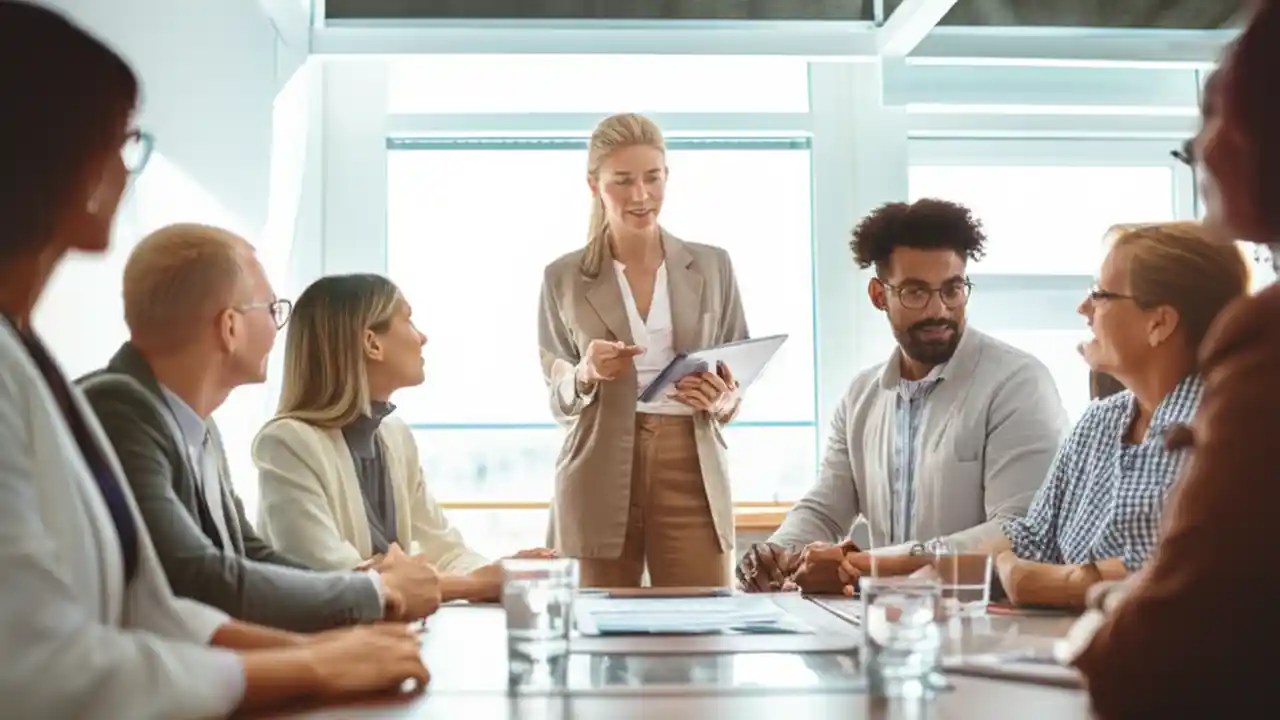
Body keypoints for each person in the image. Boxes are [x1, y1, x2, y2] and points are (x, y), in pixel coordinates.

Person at [0, 3, 426, 717]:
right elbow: (39, 661)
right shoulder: (113, 400)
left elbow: (150, 604)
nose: (124, 164)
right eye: (122, 139)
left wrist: (317, 654)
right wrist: (315, 664)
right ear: (56, 156)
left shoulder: (35, 363)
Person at [1068, 4, 1280, 716]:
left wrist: (1109, 608)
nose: (1200, 149)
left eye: (1219, 113)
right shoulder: (1101, 422)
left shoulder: (1266, 342)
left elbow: (1152, 657)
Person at [79, 223, 443, 631]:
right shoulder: (121, 409)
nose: (278, 328)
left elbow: (246, 552)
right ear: (230, 327)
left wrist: (365, 584)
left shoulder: (198, 424)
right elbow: (196, 576)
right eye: (272, 310)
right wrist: (375, 593)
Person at [738, 199, 1070, 593]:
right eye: (915, 292)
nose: (939, 310)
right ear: (879, 295)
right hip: (893, 620)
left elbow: (1020, 531)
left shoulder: (1017, 383)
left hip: (988, 621)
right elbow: (826, 509)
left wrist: (872, 565)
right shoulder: (862, 396)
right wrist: (774, 555)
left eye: (952, 289)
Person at [983, 222, 1248, 609]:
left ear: (1158, 323)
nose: (1083, 308)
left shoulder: (1221, 430)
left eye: (1100, 294)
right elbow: (1032, 540)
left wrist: (1059, 582)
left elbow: (1197, 576)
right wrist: (897, 566)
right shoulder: (1099, 421)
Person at [537, 113, 749, 588]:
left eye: (653, 178)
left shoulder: (713, 266)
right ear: (594, 185)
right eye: (623, 181)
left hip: (692, 464)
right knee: (594, 635)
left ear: (667, 177)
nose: (640, 195)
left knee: (703, 631)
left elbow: (737, 382)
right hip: (597, 466)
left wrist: (722, 400)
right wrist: (586, 373)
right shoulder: (563, 277)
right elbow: (558, 398)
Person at [254, 274, 553, 602]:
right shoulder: (287, 443)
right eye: (408, 320)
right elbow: (334, 575)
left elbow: (446, 550)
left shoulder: (395, 436)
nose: (422, 337)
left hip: (387, 636)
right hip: (321, 643)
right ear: (372, 343)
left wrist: (512, 575)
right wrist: (481, 583)